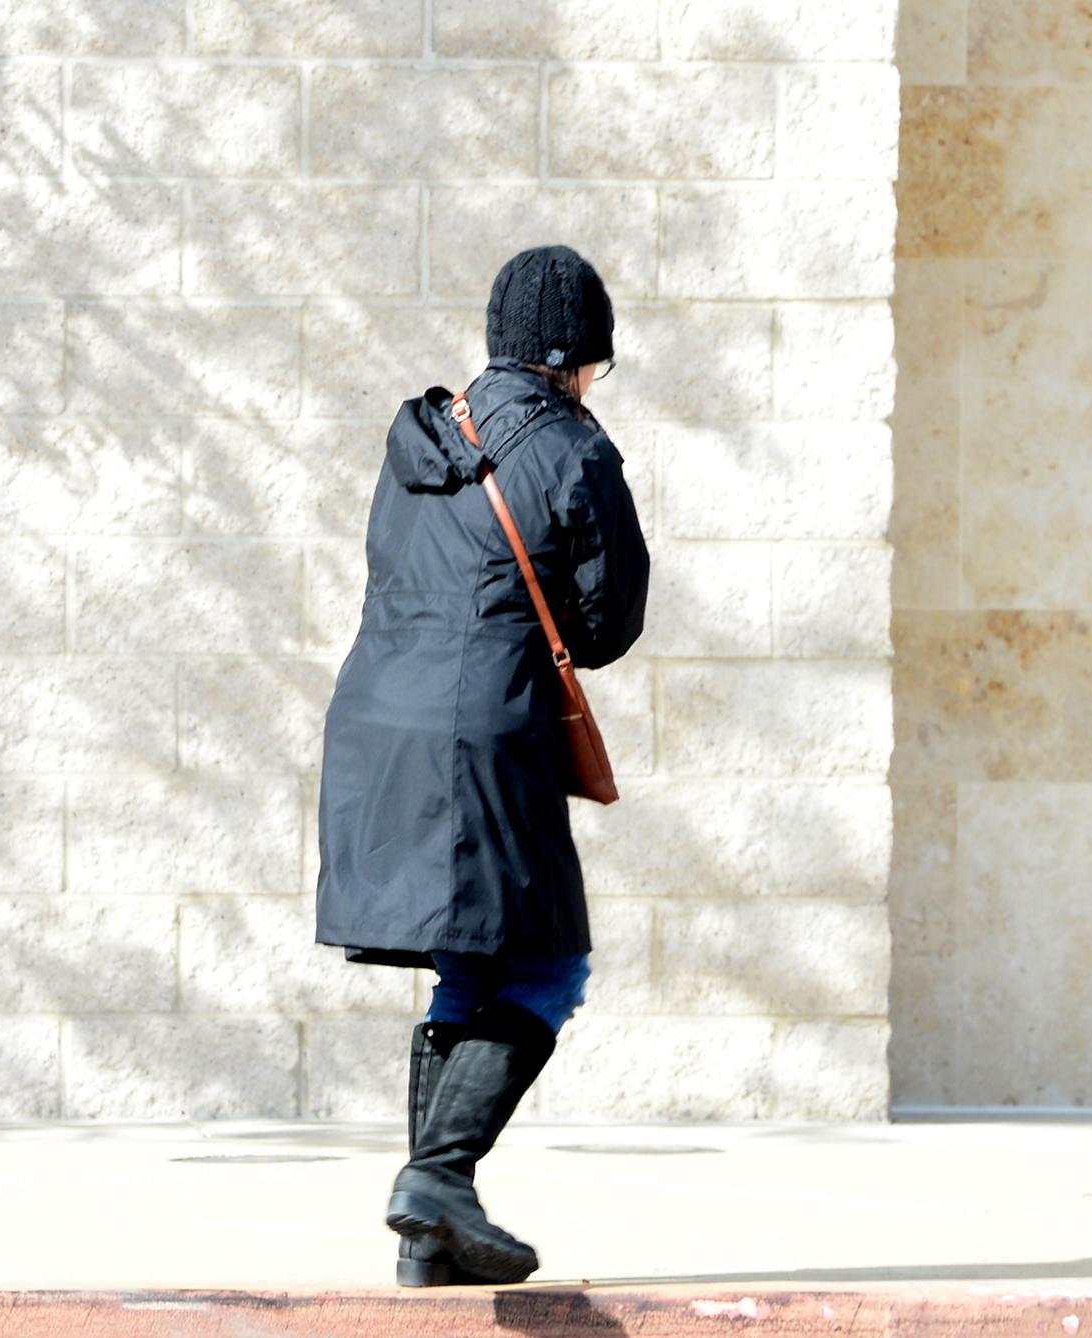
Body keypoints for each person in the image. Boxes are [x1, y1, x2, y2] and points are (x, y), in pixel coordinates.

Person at [313, 244, 651, 1287]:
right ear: (577, 354)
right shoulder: (574, 451)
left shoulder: (417, 439)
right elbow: (601, 627)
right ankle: (436, 1182)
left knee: (470, 960)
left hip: (374, 725)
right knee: (548, 963)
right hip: (484, 735)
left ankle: (431, 1238)